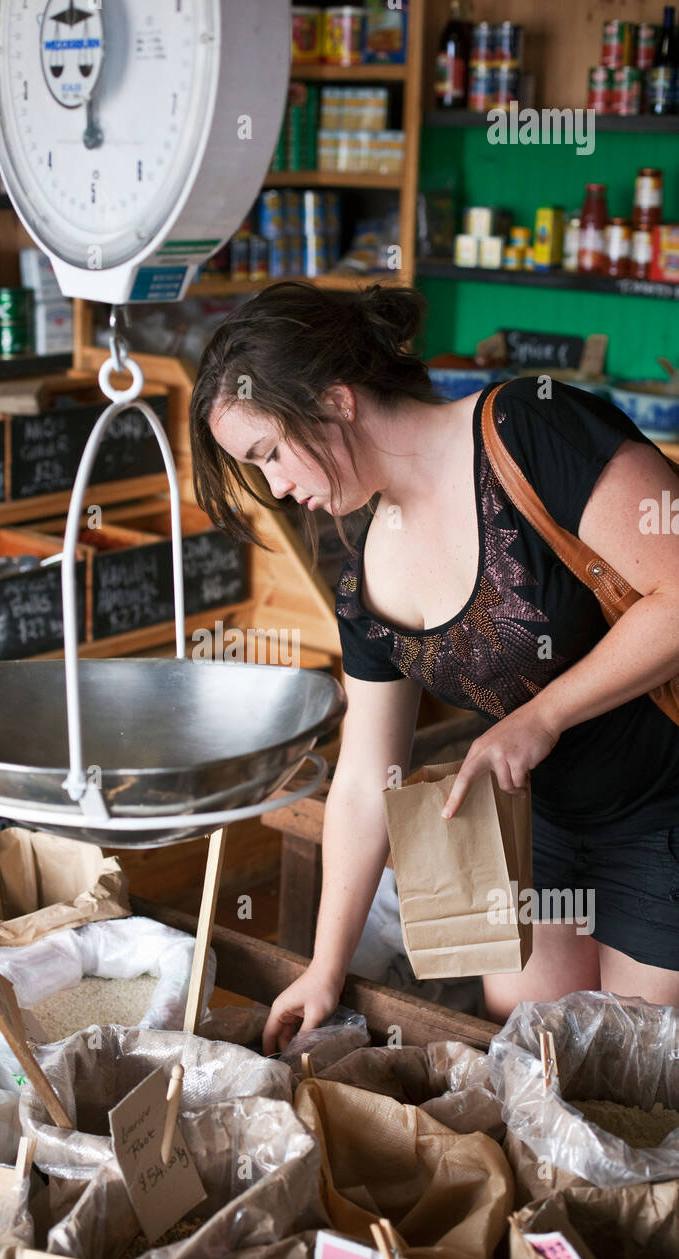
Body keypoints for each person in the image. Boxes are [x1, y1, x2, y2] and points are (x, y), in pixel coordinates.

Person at [188, 281, 679, 1053]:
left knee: (638, 1078)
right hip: (536, 827)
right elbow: (362, 782)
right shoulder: (364, 575)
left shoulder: (530, 428)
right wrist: (324, 967)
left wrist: (541, 716)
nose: (277, 486)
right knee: (533, 1065)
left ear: (337, 400)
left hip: (665, 808)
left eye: (271, 453)